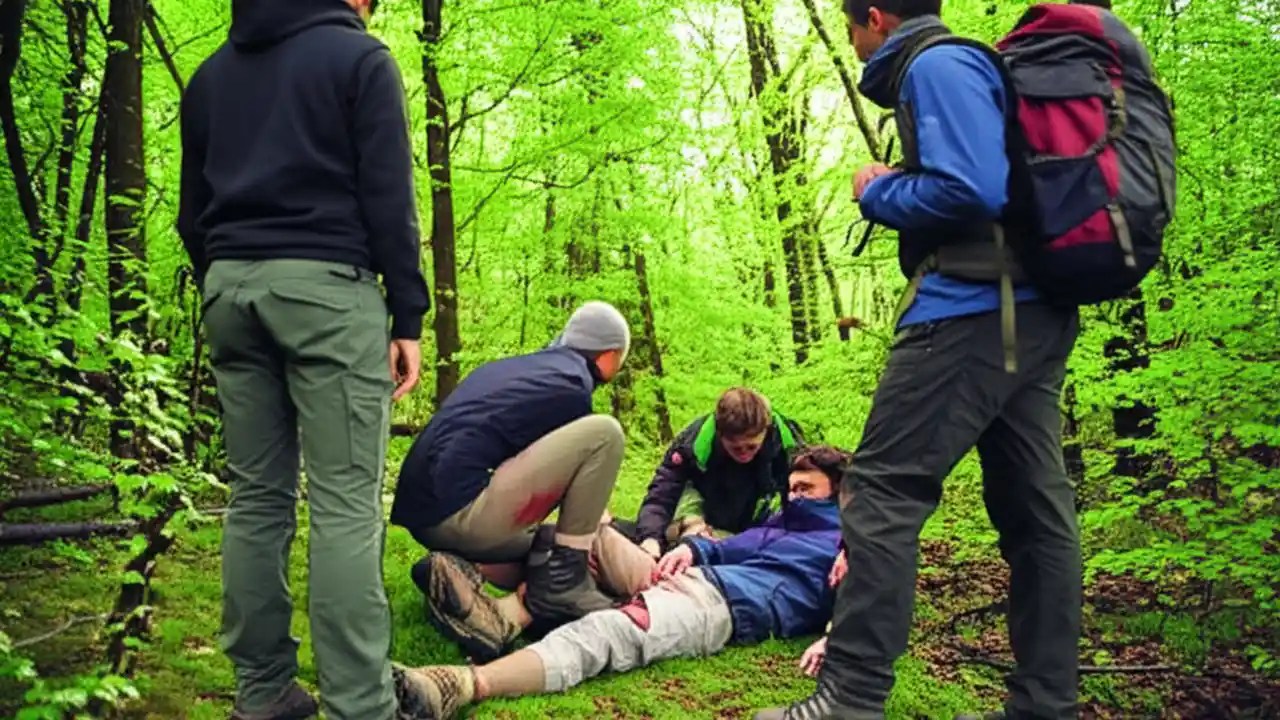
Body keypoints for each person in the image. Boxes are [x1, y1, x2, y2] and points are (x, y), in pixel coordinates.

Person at [754, 2, 1083, 720]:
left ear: (874, 18)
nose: (854, 41)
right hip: (1030, 312)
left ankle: (850, 698)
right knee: (1035, 513)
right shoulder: (970, 67)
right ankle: (1044, 707)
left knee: (878, 494)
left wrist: (879, 189)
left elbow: (971, 188)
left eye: (851, 28)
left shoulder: (935, 64)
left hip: (969, 311)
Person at [177, 0, 434, 718]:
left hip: (230, 291)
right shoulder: (361, 61)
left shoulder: (209, 77)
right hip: (328, 294)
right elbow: (390, 200)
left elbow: (189, 213)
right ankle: (360, 703)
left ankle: (262, 694)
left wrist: (230, 277)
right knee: (345, 504)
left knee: (256, 498)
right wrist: (406, 315)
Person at [400, 445, 853, 719]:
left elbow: (867, 597)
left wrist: (834, 639)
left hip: (721, 606)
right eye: (791, 486)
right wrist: (690, 549)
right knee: (588, 535)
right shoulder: (784, 523)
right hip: (694, 574)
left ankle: (459, 684)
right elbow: (733, 546)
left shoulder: (846, 545)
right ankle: (495, 603)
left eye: (806, 488)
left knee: (605, 634)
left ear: (838, 493)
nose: (793, 495)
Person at [391, 302, 631, 627]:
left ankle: (463, 572)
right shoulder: (571, 385)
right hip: (462, 515)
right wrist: (596, 527)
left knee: (548, 543)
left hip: (429, 516)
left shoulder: (519, 370)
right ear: (610, 354)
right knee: (605, 433)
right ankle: (565, 585)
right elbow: (563, 476)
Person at [631, 388, 805, 557]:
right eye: (736, 448)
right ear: (720, 435)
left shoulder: (787, 445)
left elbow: (810, 494)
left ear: (765, 432)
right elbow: (662, 493)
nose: (744, 453)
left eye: (751, 446)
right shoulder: (691, 445)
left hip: (758, 513)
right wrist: (650, 538)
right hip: (702, 511)